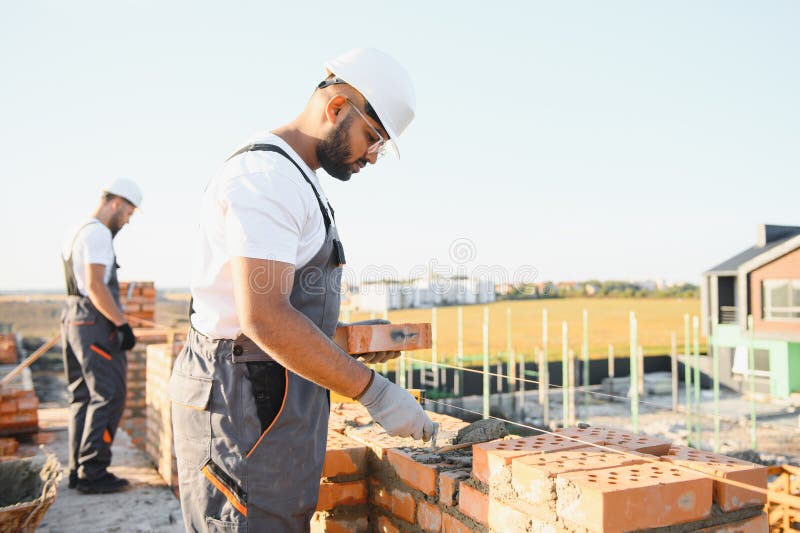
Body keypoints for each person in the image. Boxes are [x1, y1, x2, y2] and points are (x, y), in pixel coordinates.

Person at [170, 48, 435, 531]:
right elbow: (265, 318)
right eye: (372, 138)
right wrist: (374, 392)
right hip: (241, 402)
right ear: (337, 108)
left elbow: (278, 311)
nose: (373, 156)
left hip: (265, 394)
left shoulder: (294, 177)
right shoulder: (266, 179)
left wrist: (343, 341)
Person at [60, 178, 142, 494]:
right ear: (116, 202)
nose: (127, 221)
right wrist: (122, 325)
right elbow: (95, 285)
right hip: (94, 322)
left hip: (72, 318)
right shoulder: (98, 234)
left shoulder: (77, 229)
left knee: (82, 396)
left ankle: (78, 470)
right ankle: (93, 472)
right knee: (108, 395)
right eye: (128, 213)